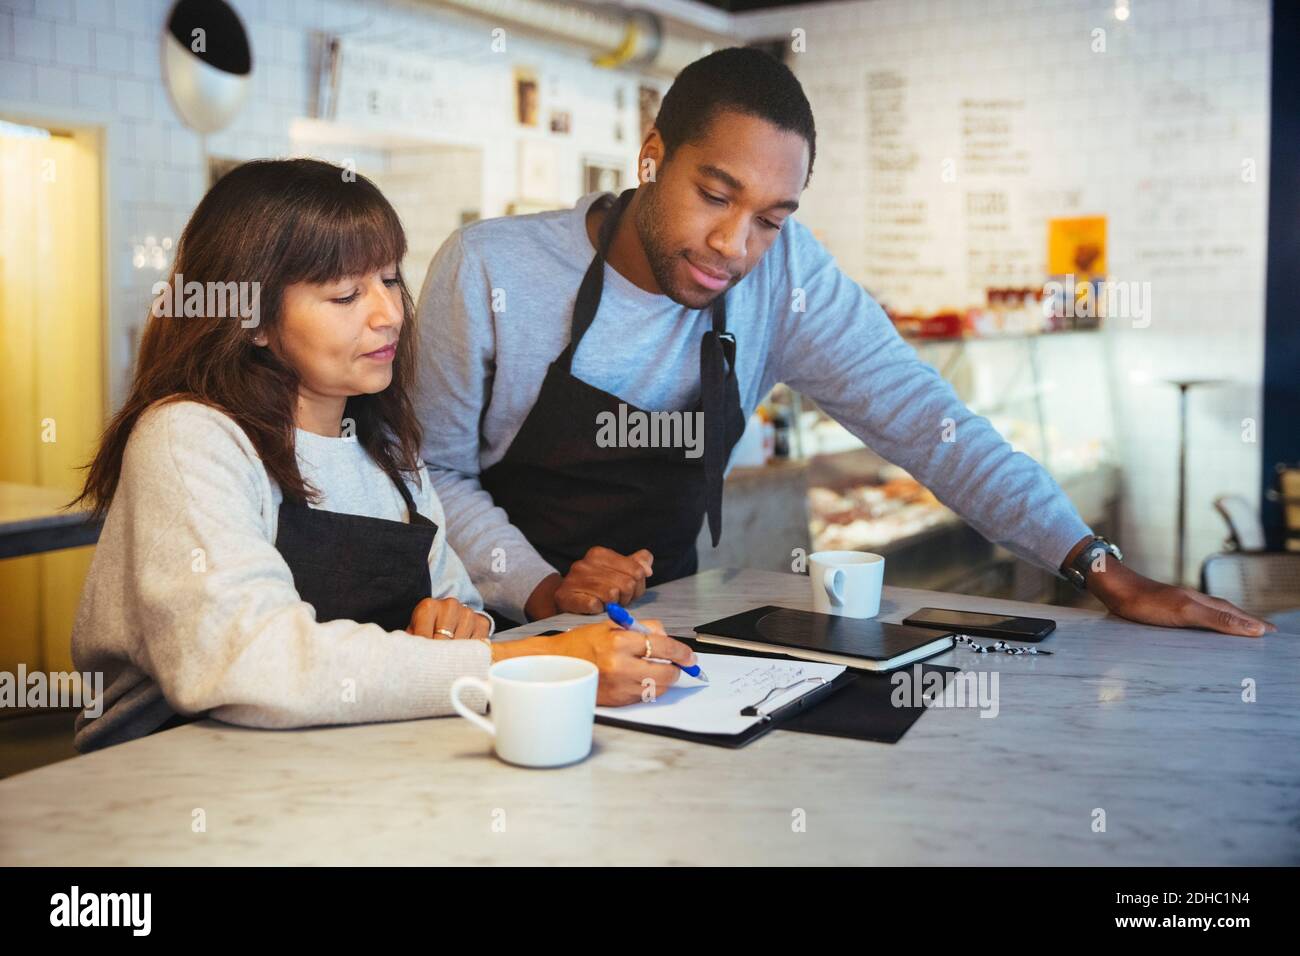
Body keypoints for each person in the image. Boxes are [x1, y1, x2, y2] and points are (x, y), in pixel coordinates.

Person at [415, 47, 1272, 638]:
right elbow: (430, 474)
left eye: (770, 219)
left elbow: (928, 421)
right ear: (652, 157)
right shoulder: (490, 272)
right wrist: (543, 588)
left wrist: (1098, 566)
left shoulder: (784, 277)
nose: (734, 247)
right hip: (494, 639)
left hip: (661, 632)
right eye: (715, 195)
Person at [70, 159, 693, 752]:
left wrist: (453, 625)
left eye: (391, 279)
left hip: (341, 753)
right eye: (345, 295)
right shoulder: (190, 438)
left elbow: (463, 611)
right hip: (175, 772)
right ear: (251, 319)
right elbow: (247, 662)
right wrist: (541, 658)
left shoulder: (388, 451)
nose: (390, 313)